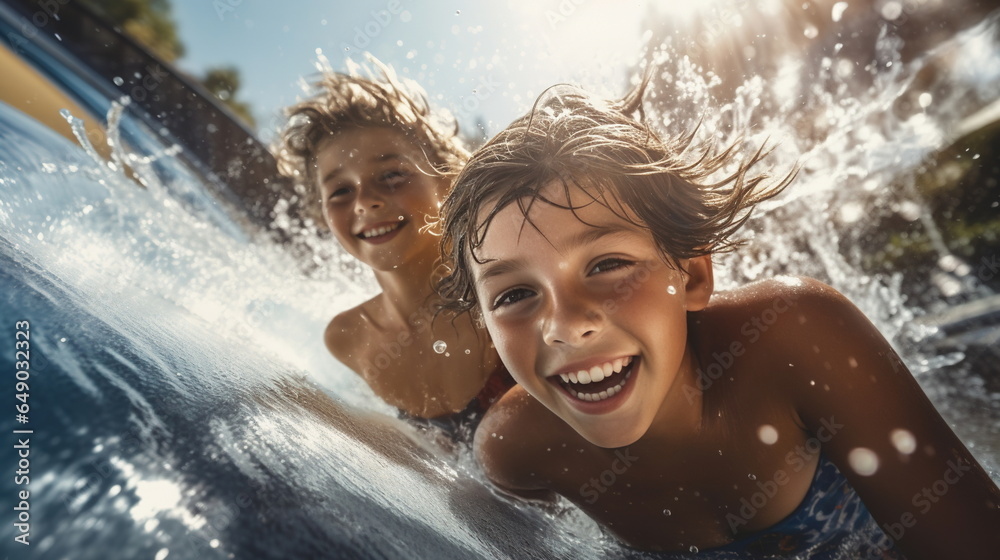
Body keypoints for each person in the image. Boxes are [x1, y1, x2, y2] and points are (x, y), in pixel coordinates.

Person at [435, 76, 1000, 558]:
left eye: (607, 264)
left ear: (694, 277)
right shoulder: (515, 452)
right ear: (486, 324)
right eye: (513, 296)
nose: (565, 323)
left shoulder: (796, 335)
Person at [276, 58, 513, 442]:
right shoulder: (349, 339)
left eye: (391, 175)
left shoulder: (506, 292)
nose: (365, 202)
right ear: (321, 215)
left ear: (448, 179)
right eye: (340, 191)